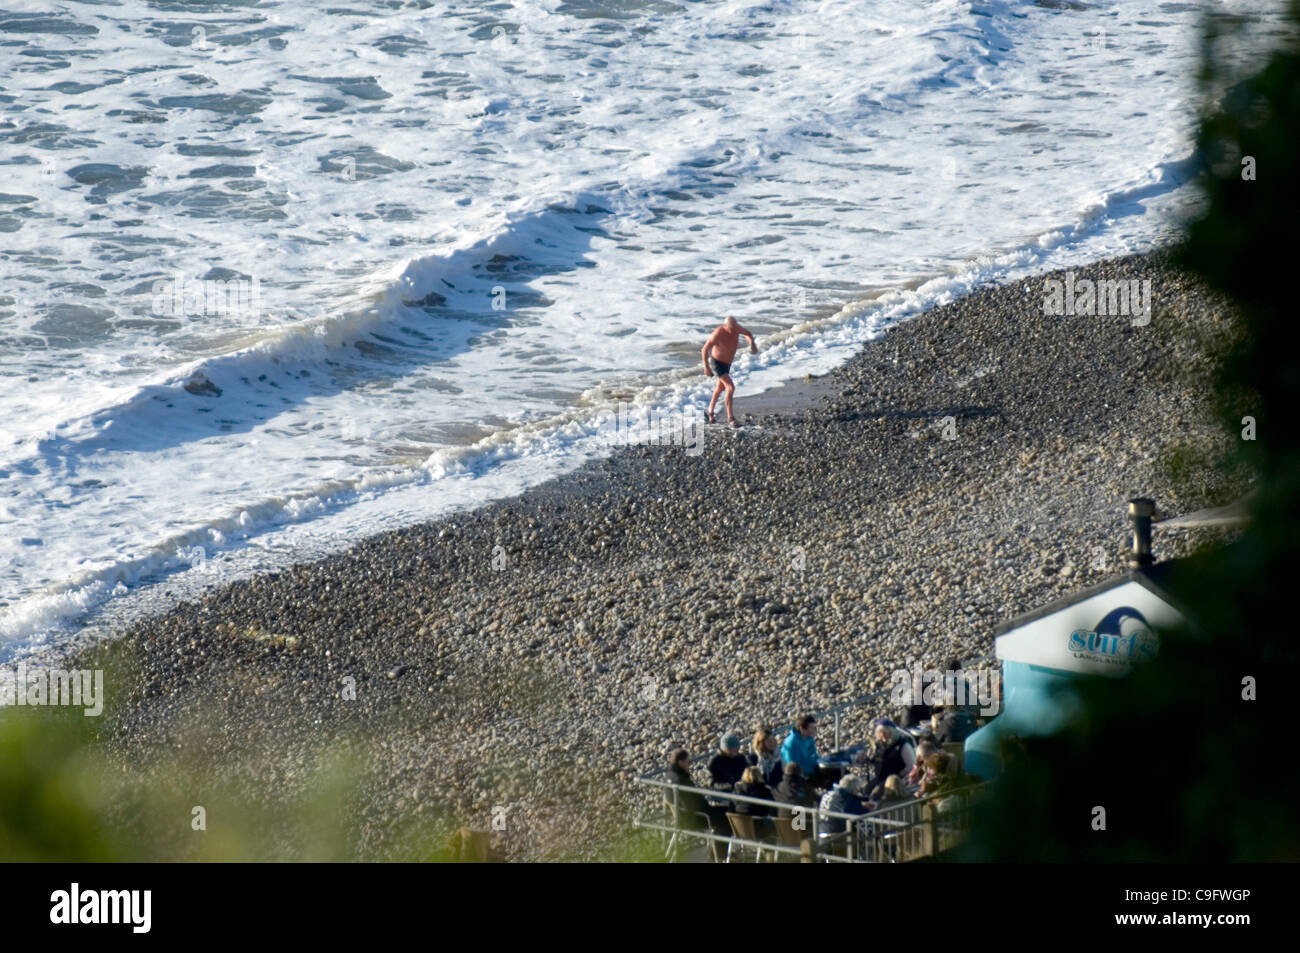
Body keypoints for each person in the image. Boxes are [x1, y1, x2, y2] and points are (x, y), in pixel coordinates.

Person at [701, 315, 757, 427]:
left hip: (727, 363)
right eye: (731, 328)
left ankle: (710, 412)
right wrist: (706, 367)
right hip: (717, 363)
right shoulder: (718, 334)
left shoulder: (736, 328)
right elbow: (704, 349)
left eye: (735, 327)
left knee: (720, 388)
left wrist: (752, 344)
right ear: (725, 326)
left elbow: (748, 333)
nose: (733, 331)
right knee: (730, 387)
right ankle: (731, 418)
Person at [866, 719, 916, 798]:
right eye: (880, 732)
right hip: (881, 777)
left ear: (892, 732)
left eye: (885, 732)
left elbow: (911, 766)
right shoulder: (880, 744)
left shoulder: (903, 745)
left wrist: (897, 776)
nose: (882, 735)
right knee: (867, 790)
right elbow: (876, 760)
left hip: (896, 779)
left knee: (875, 794)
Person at [817, 773, 872, 840]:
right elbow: (861, 813)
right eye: (859, 790)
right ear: (854, 790)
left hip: (821, 833)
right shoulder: (848, 800)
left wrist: (860, 803)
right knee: (868, 826)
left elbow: (839, 806)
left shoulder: (827, 793)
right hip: (837, 838)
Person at [780, 713, 819, 779]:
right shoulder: (792, 743)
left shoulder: (809, 738)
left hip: (808, 771)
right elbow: (794, 768)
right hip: (793, 777)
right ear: (802, 729)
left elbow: (813, 756)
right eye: (813, 728)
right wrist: (816, 769)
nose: (815, 730)